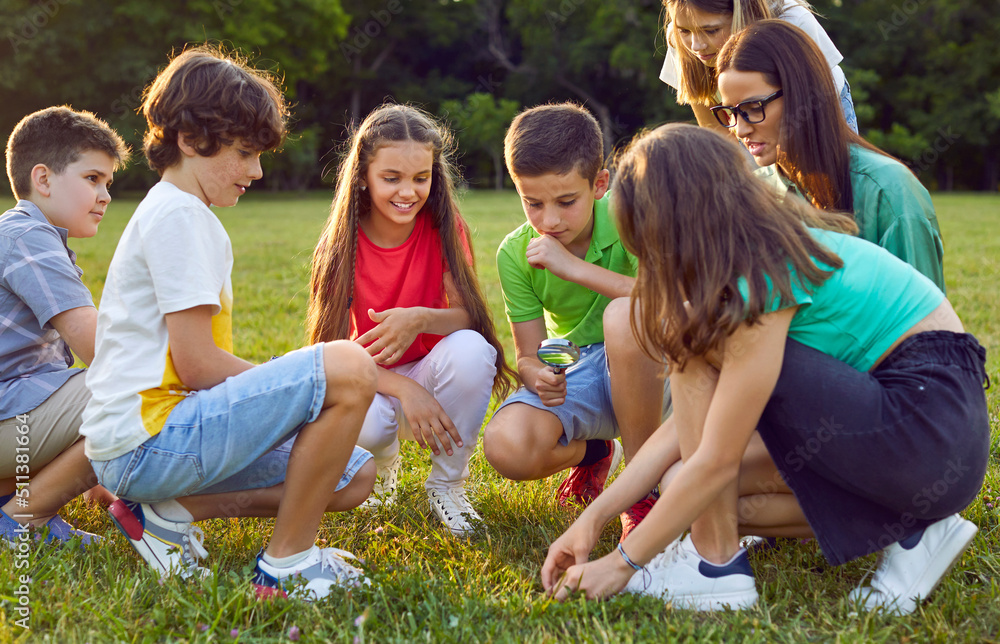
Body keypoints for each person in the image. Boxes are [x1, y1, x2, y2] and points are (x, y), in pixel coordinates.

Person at [541, 123, 988, 616]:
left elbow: (716, 458)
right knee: (683, 481)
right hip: (930, 442)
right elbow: (680, 436)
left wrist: (620, 565)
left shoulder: (762, 272)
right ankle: (912, 525)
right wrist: (594, 520)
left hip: (927, 427)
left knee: (692, 347)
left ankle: (716, 568)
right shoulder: (762, 250)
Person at [80, 46, 378, 601]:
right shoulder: (179, 216)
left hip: (151, 449)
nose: (256, 171)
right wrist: (291, 392)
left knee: (352, 475)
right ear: (191, 140)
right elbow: (197, 365)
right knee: (349, 366)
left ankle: (166, 514)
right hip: (151, 442)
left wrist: (285, 394)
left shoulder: (179, 211)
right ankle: (287, 566)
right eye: (244, 153)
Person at [306, 104, 516, 537]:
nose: (408, 191)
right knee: (363, 425)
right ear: (363, 176)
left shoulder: (445, 228)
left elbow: (468, 318)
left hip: (434, 375)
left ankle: (448, 485)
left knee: (473, 351)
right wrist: (405, 389)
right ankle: (383, 462)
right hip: (371, 380)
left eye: (421, 178)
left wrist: (418, 319)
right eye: (392, 178)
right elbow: (327, 356)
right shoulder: (340, 243)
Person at [482, 103, 670, 539]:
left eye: (566, 202)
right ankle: (596, 452)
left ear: (599, 184)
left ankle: (641, 490)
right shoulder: (515, 252)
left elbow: (667, 301)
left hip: (656, 368)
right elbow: (528, 355)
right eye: (532, 203)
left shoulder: (631, 216)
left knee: (626, 315)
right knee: (507, 445)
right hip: (582, 367)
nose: (549, 220)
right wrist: (537, 375)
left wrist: (573, 268)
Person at [715, 19, 944, 290]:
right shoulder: (757, 193)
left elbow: (926, 311)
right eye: (730, 112)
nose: (739, 129)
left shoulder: (889, 192)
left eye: (754, 107)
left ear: (802, 96)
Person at [0, 106, 128, 546]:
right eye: (93, 178)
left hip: (12, 415)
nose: (105, 195)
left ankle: (13, 498)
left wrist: (90, 463)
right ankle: (21, 518)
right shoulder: (26, 237)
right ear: (43, 179)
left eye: (108, 183)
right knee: (137, 383)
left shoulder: (24, 235)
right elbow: (100, 350)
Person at [659, 0, 858, 134]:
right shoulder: (680, 40)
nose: (696, 46)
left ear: (739, 13)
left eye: (711, 31)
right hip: (745, 123)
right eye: (684, 31)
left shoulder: (792, 23)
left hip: (814, 113)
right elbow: (714, 127)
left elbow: (812, 112)